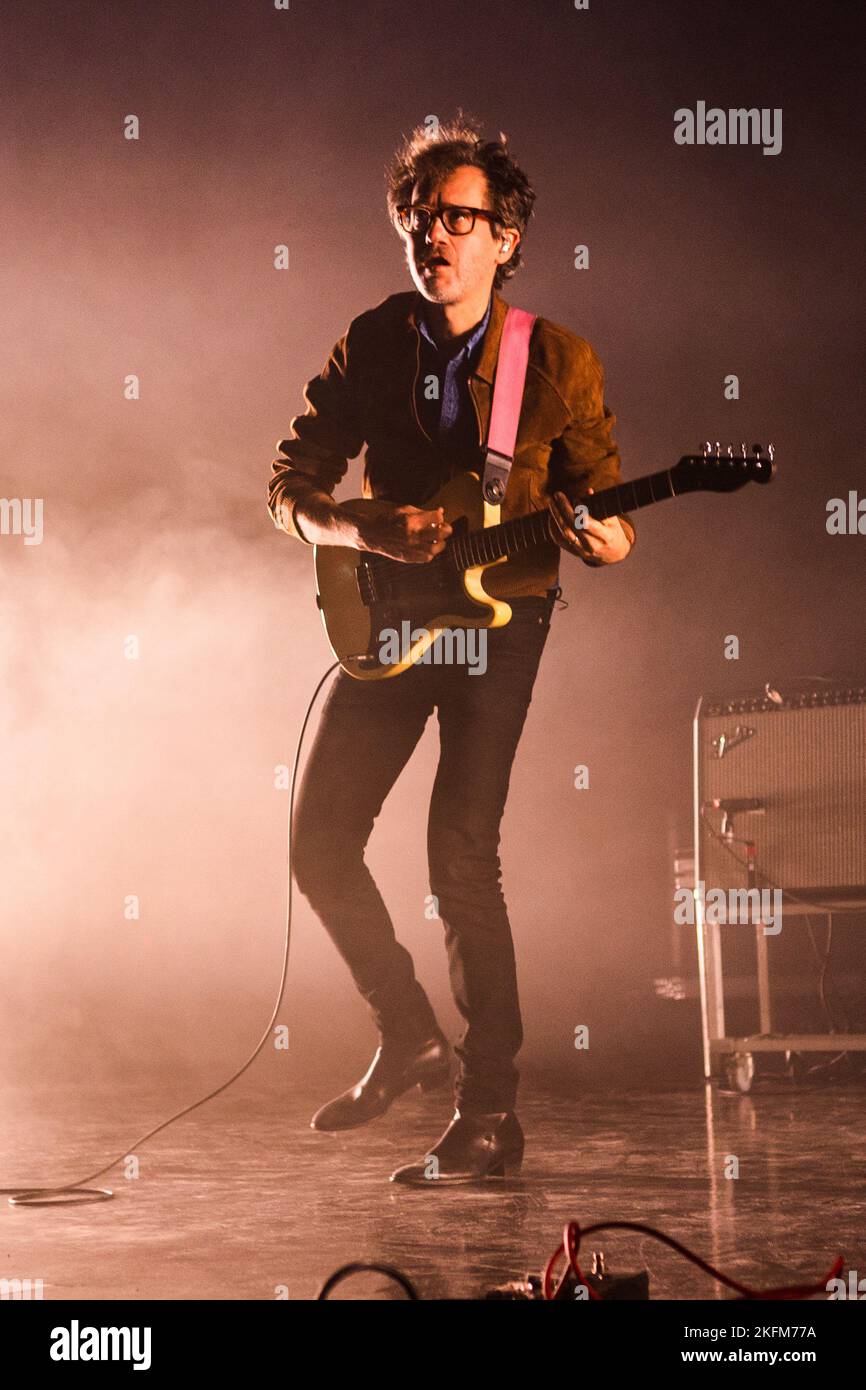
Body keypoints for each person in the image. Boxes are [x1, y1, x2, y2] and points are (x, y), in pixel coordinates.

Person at [267, 115, 635, 1185]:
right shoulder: (373, 340)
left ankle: (489, 1112)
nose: (434, 234)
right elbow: (286, 489)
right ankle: (409, 1033)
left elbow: (610, 523)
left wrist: (601, 535)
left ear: (505, 237)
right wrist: (359, 528)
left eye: (459, 218)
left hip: (498, 624)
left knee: (458, 860)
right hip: (386, 619)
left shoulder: (554, 361)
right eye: (418, 217)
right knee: (318, 841)